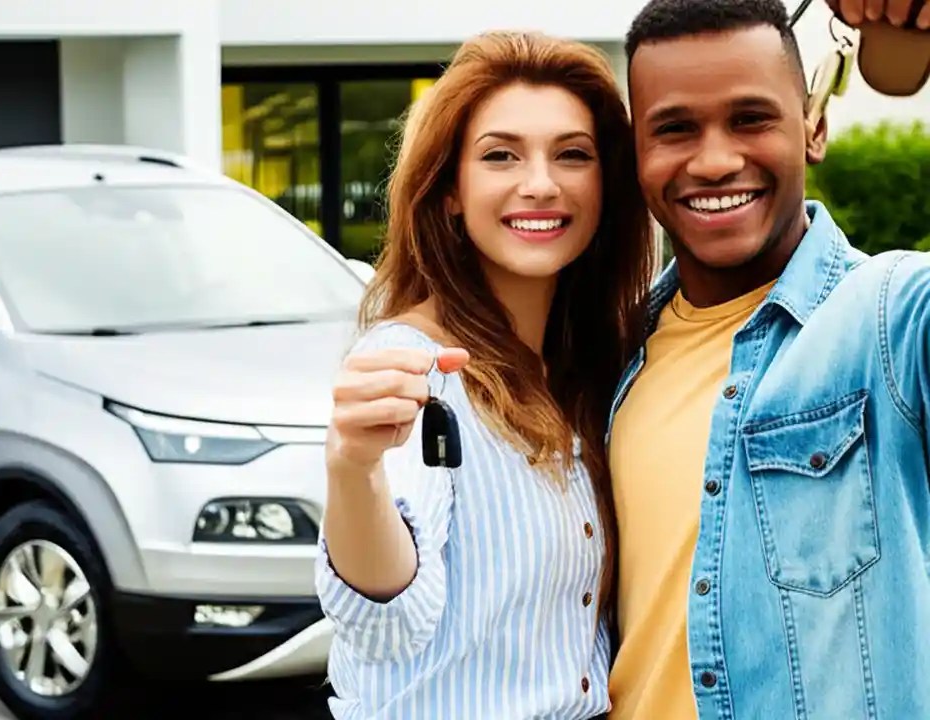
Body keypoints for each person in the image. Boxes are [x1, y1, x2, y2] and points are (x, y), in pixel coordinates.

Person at [314, 30, 656, 719]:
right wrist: (354, 470)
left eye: (573, 154)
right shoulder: (417, 364)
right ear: (450, 190)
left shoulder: (600, 365)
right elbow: (387, 623)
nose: (541, 184)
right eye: (501, 155)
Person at [607, 1, 930, 718]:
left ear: (814, 127)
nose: (715, 161)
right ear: (636, 157)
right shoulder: (611, 358)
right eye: (674, 129)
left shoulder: (894, 315)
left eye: (751, 119)